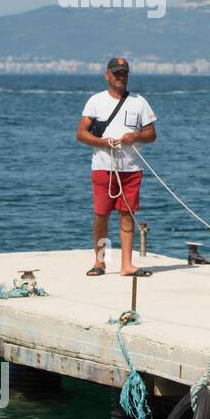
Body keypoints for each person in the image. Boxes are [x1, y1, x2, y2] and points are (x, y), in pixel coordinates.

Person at [76, 57, 157, 277]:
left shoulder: (139, 102)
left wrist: (136, 136)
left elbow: (152, 134)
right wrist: (102, 142)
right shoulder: (95, 101)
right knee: (101, 215)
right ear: (107, 76)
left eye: (124, 74)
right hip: (103, 167)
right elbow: (81, 133)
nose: (121, 77)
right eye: (117, 73)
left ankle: (126, 265)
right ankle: (100, 262)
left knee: (127, 215)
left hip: (131, 169)